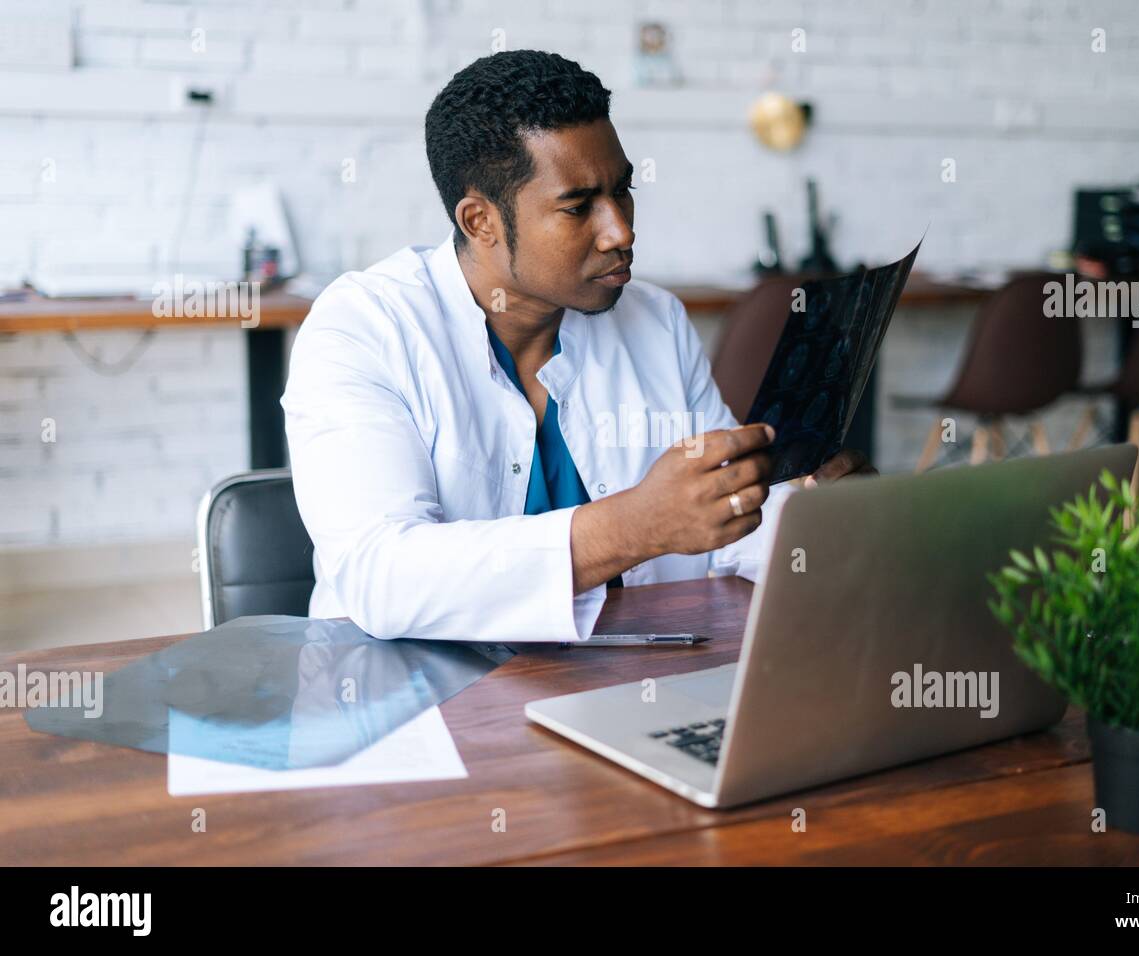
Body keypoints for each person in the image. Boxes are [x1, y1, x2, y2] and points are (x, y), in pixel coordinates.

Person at [281, 50, 872, 642]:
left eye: (623, 191)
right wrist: (634, 527)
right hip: (417, 700)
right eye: (578, 206)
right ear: (480, 221)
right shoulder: (361, 330)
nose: (621, 231)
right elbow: (382, 576)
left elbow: (724, 530)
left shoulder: (655, 320)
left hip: (627, 681)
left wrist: (813, 520)